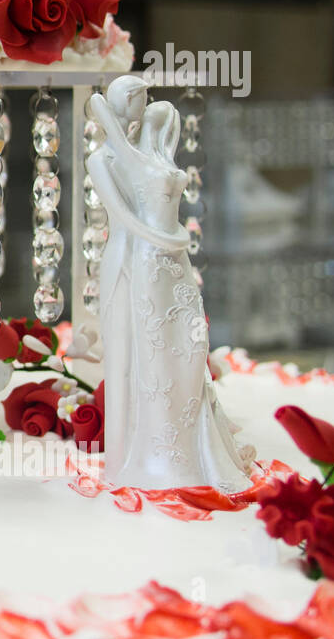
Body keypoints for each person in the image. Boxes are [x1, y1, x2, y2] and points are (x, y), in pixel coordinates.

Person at [88, 80, 252, 493]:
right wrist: (168, 241)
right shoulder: (103, 158)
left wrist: (172, 243)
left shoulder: (152, 148)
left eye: (143, 100)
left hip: (169, 261)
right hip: (134, 258)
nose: (141, 109)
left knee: (183, 348)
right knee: (134, 354)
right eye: (135, 100)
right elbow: (122, 216)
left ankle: (180, 445)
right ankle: (133, 456)